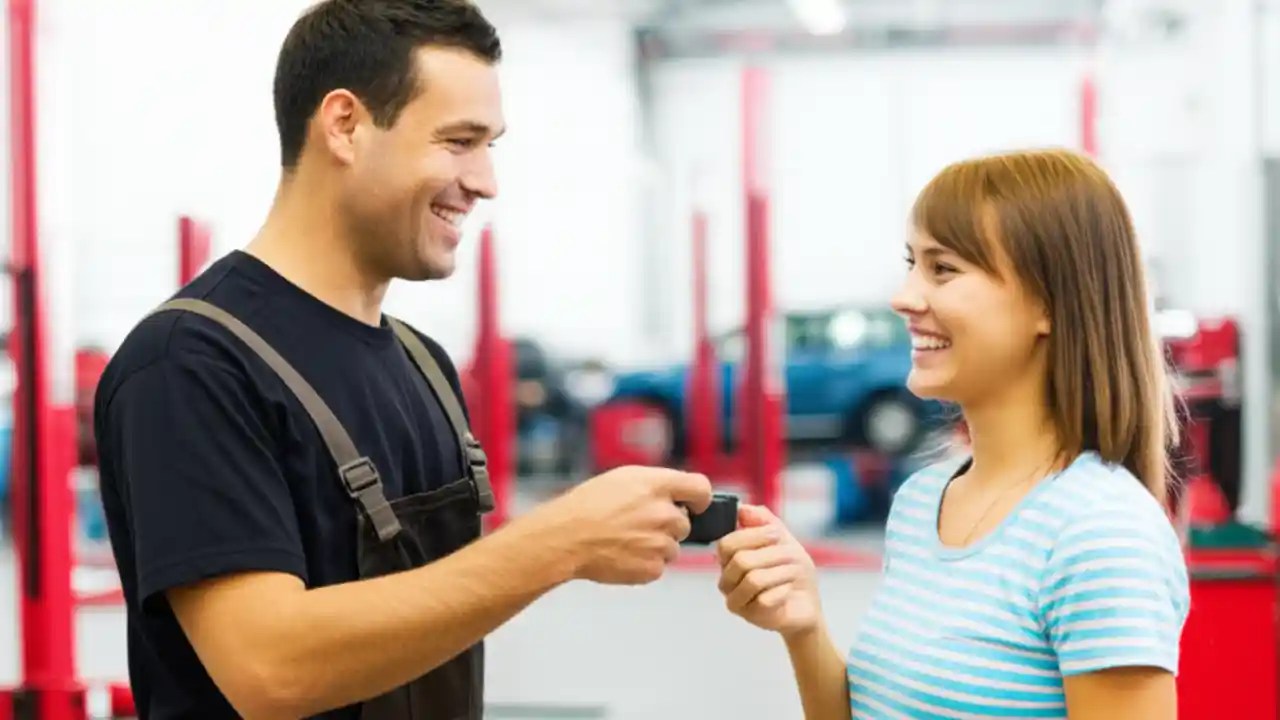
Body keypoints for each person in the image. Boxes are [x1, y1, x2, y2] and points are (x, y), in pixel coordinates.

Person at [94, 1, 712, 718]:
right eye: (458, 141)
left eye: (491, 146)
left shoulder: (426, 369)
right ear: (345, 125)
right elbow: (269, 670)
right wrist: (558, 543)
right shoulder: (192, 366)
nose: (485, 181)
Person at [714, 149, 1190, 719]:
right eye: (912, 263)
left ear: (1049, 303)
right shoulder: (921, 502)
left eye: (943, 269)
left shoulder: (1101, 533)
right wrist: (804, 625)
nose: (904, 296)